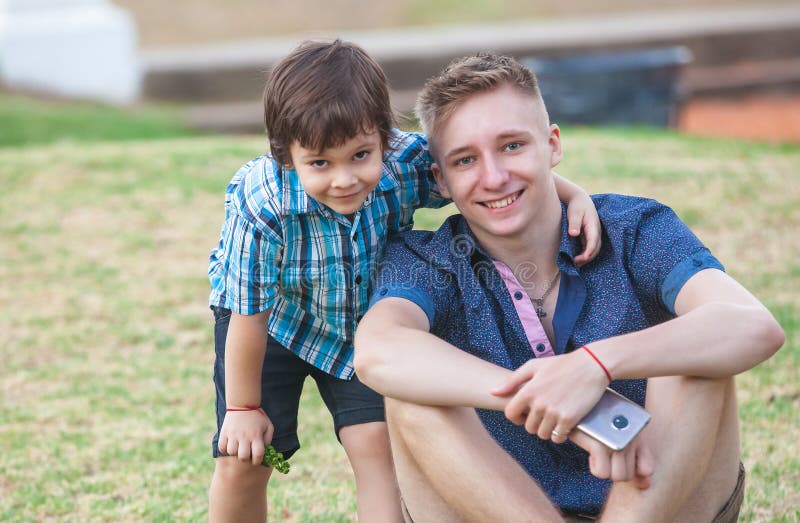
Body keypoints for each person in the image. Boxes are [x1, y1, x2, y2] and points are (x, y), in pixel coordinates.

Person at [354, 53, 785, 522]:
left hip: (662, 504)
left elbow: (752, 325)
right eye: (465, 159)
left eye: (513, 146)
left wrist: (594, 365)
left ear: (552, 145)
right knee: (412, 394)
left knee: (695, 352)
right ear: (441, 178)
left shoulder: (634, 228)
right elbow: (379, 350)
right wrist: (557, 396)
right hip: (496, 509)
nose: (494, 176)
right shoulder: (426, 260)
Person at [206, 40, 602, 522]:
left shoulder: (408, 165)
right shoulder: (263, 202)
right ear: (286, 156)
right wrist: (244, 409)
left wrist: (572, 192)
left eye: (360, 154)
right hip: (273, 325)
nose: (345, 179)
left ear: (384, 137)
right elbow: (248, 313)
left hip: (363, 328)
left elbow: (482, 175)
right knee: (246, 456)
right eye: (320, 164)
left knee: (377, 446)